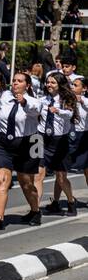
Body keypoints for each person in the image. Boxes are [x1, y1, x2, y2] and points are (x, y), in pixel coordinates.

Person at [0, 71, 42, 231]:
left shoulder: (34, 101)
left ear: (27, 85)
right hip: (4, 143)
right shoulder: (4, 98)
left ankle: (35, 210)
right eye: (14, 81)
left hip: (30, 142)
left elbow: (35, 110)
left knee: (26, 182)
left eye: (19, 81)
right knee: (1, 180)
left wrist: (24, 102)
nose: (15, 83)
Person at [41, 71, 80, 217]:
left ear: (59, 84)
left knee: (61, 177)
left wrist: (59, 111)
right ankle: (36, 209)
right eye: (48, 82)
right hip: (42, 139)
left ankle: (70, 202)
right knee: (38, 174)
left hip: (60, 140)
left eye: (52, 83)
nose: (49, 85)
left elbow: (70, 114)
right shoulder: (43, 99)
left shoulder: (66, 98)